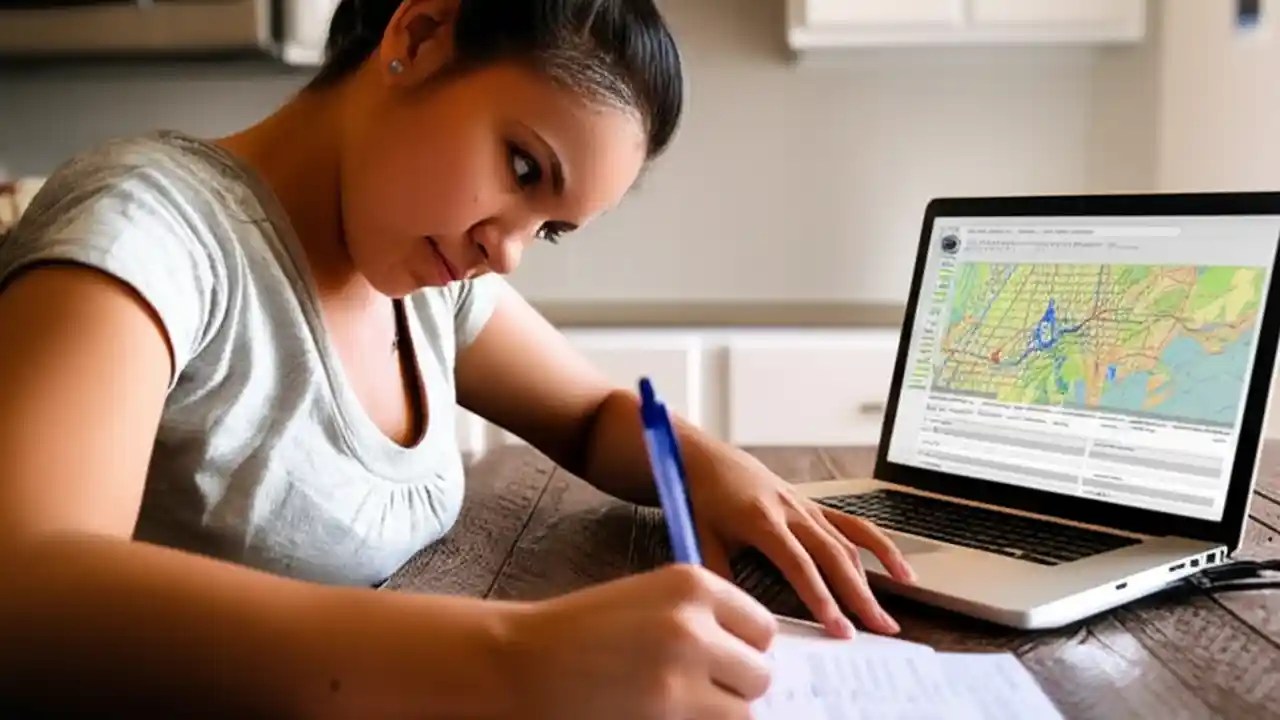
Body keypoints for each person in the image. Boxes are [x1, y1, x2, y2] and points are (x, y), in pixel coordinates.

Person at [0, 0, 917, 717]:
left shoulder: (427, 282)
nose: (509, 251)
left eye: (547, 230)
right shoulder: (151, 229)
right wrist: (518, 661)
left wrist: (710, 465)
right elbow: (26, 592)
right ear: (421, 31)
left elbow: (592, 414)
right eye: (523, 169)